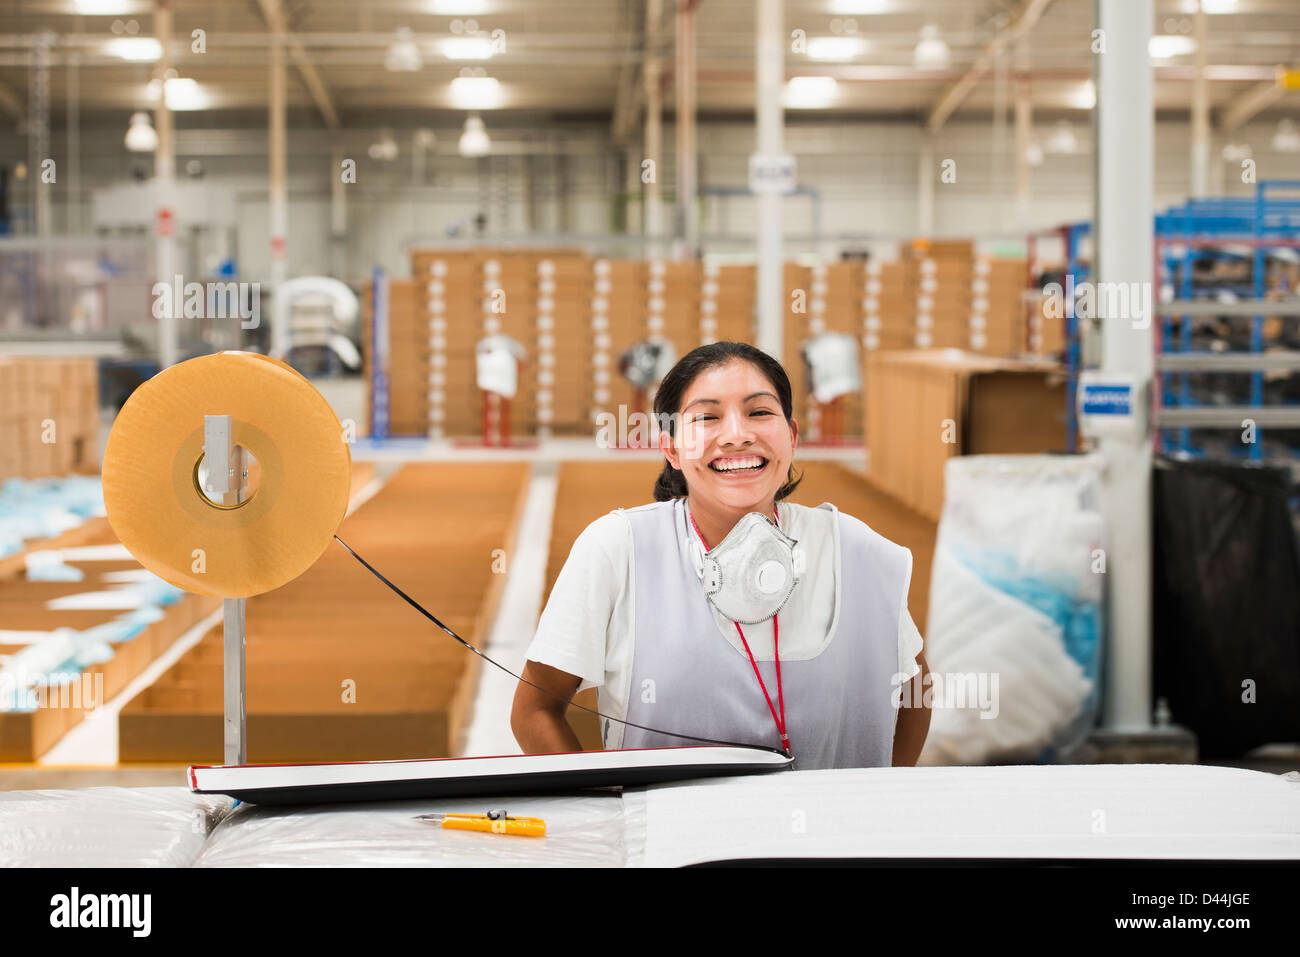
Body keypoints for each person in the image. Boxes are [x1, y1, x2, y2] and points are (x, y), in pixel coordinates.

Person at [511, 340, 930, 769]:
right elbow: (535, 709)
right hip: (664, 837)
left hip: (832, 837)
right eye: (707, 417)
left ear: (792, 436)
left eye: (760, 412)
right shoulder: (619, 550)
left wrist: (880, 798)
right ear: (671, 448)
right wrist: (608, 813)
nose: (736, 434)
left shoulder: (856, 552)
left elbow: (917, 691)